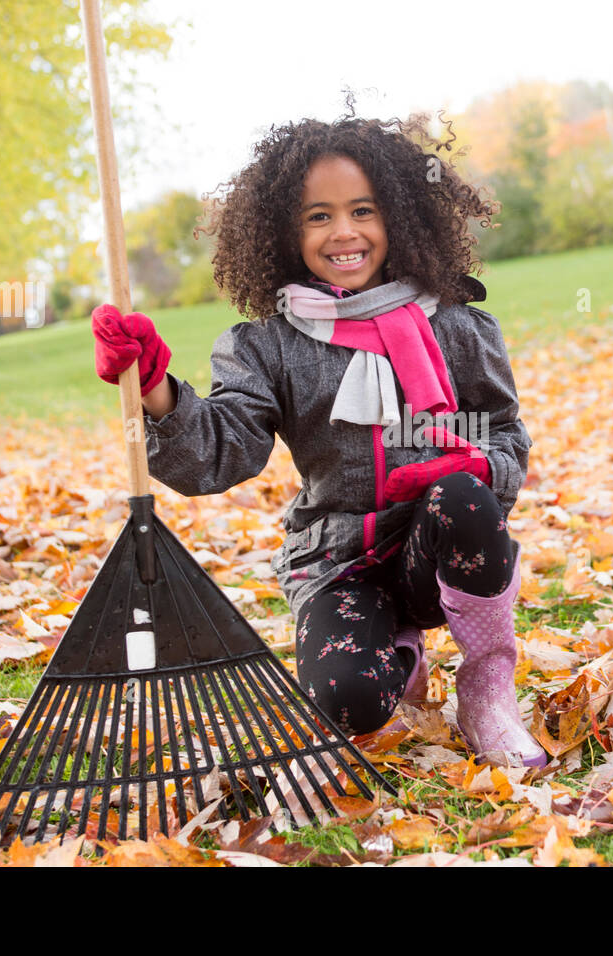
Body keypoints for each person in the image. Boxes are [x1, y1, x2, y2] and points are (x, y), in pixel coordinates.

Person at [91, 112, 546, 767]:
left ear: (398, 215)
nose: (344, 232)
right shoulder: (267, 347)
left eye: (363, 209)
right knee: (347, 702)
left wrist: (475, 459)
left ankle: (487, 696)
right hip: (341, 563)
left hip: (436, 544)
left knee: (465, 495)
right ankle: (398, 655)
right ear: (284, 230)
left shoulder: (456, 326)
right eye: (317, 216)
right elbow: (220, 452)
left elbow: (506, 439)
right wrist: (155, 385)